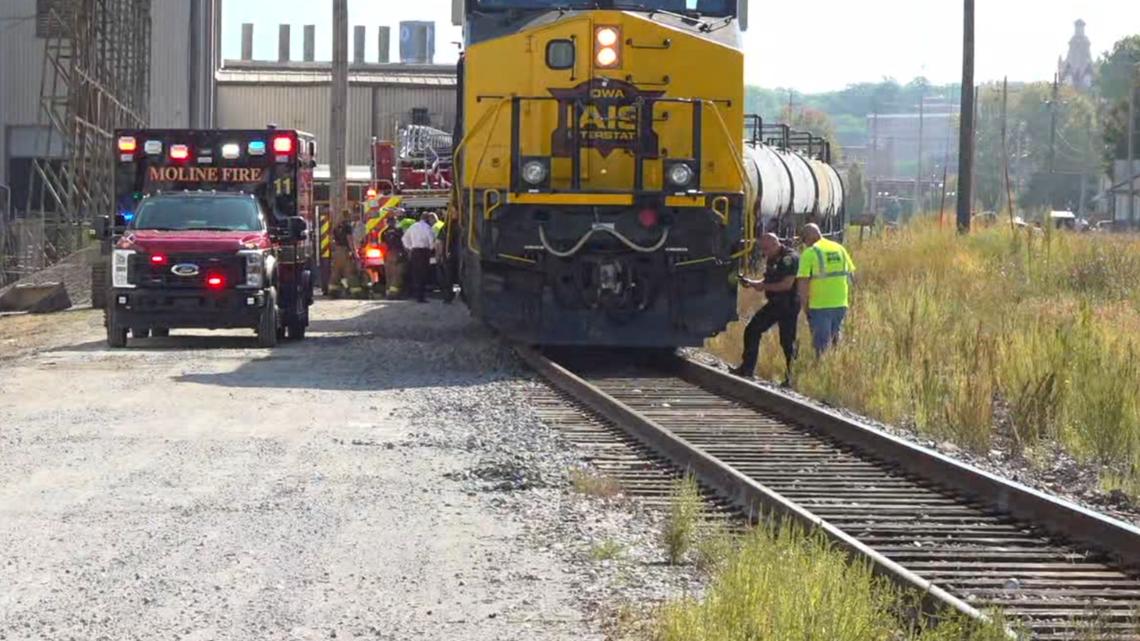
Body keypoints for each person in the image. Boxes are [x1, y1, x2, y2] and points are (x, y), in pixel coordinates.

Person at [731, 233, 799, 384]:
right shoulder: (772, 257)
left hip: (788, 304)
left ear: (775, 244)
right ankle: (747, 369)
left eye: (766, 249)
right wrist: (753, 283)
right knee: (752, 329)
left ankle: (791, 378)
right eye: (763, 249)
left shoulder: (789, 258)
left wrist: (764, 286)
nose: (764, 252)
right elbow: (768, 280)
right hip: (775, 303)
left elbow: (786, 284)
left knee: (787, 341)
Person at [796, 223, 855, 355]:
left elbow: (803, 282)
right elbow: (851, 275)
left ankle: (821, 371)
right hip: (841, 303)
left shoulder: (810, 253)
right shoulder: (840, 248)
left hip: (820, 304)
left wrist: (805, 305)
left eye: (804, 240)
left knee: (821, 345)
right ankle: (835, 369)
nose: (804, 244)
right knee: (835, 341)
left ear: (808, 237)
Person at [402, 212, 436, 303]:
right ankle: (421, 297)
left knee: (415, 273)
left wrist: (410, 247)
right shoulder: (428, 228)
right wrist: (432, 249)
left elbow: (404, 238)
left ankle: (415, 294)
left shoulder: (413, 226)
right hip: (424, 252)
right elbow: (431, 240)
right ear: (427, 219)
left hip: (415, 252)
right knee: (423, 274)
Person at [380, 211, 406, 298]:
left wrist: (385, 256)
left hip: (388, 254)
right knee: (397, 273)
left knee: (389, 274)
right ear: (394, 222)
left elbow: (382, 245)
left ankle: (388, 292)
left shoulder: (383, 232)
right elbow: (404, 242)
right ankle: (394, 293)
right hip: (397, 253)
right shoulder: (399, 231)